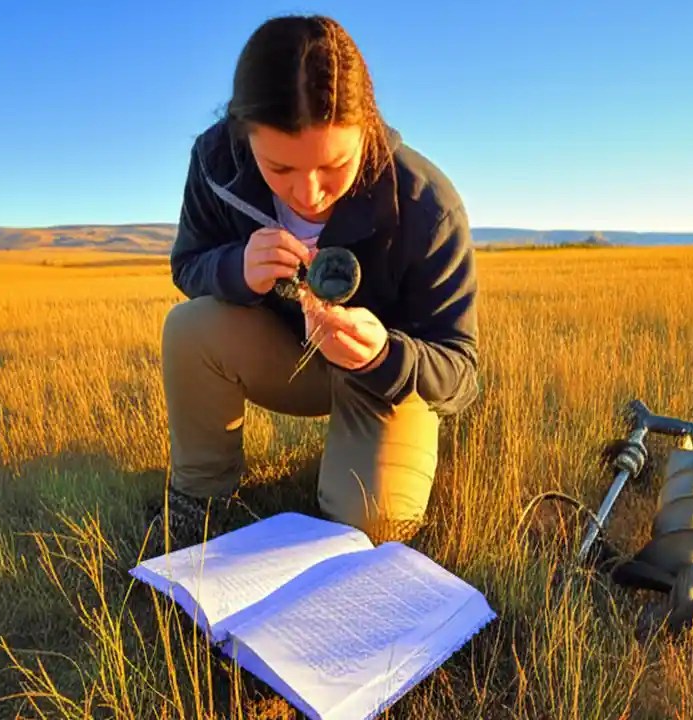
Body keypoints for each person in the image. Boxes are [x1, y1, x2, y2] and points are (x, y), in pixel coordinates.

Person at [156, 14, 479, 549]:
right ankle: (200, 507)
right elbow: (188, 264)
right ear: (243, 135)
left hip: (387, 386)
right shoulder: (215, 162)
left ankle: (364, 473)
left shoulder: (427, 204)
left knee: (370, 531)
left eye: (334, 167)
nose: (308, 193)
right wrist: (235, 269)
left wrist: (383, 354)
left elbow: (461, 374)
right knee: (190, 327)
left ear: (368, 127)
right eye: (279, 169)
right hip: (287, 357)